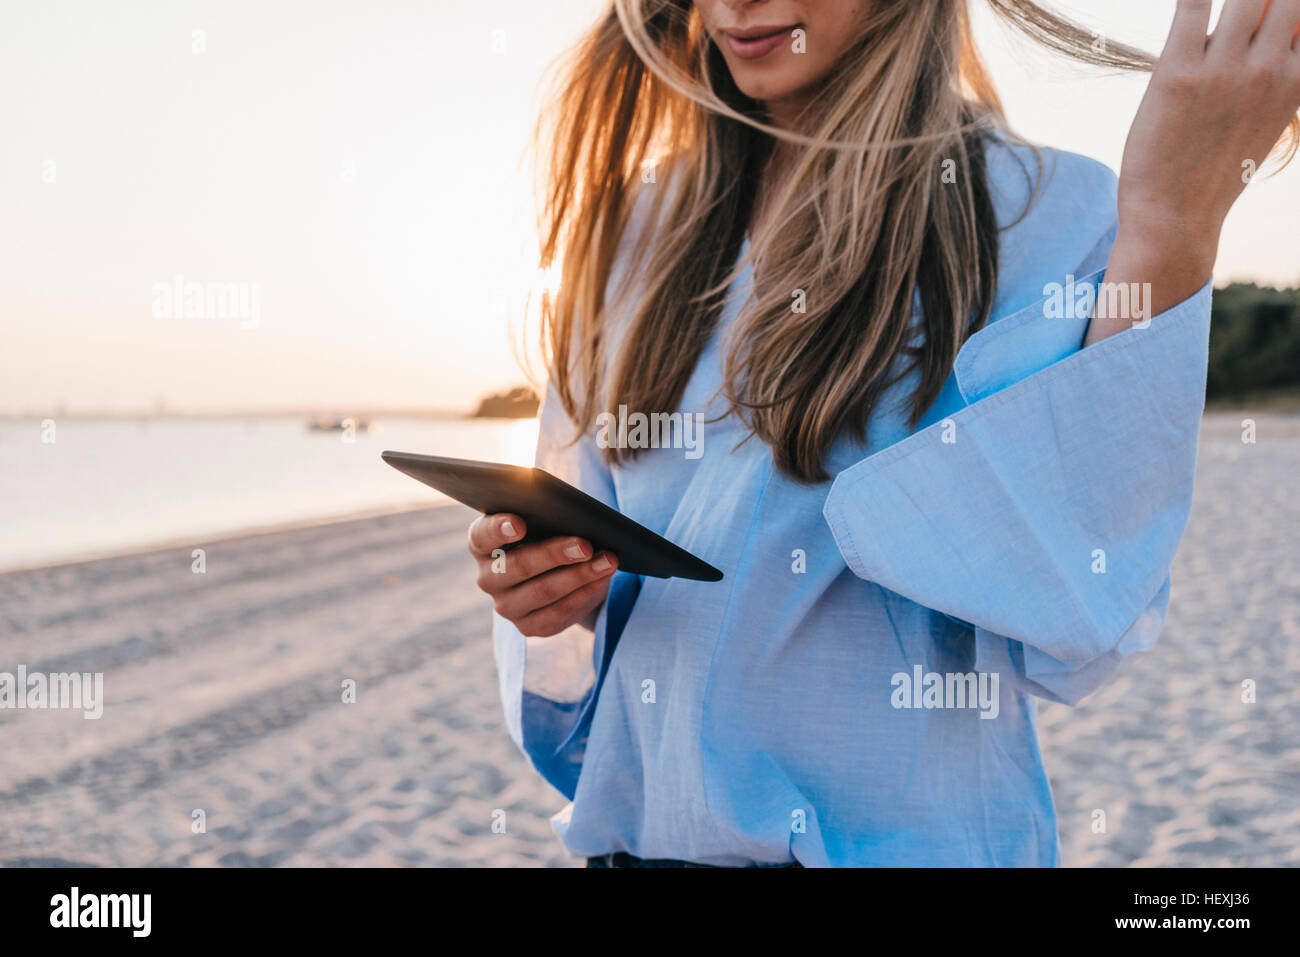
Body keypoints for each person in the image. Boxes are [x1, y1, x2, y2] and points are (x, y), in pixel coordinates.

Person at [467, 0, 1300, 866]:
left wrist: (1171, 227)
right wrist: (549, 583)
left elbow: (1083, 613)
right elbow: (597, 588)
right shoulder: (632, 235)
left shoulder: (1038, 217)